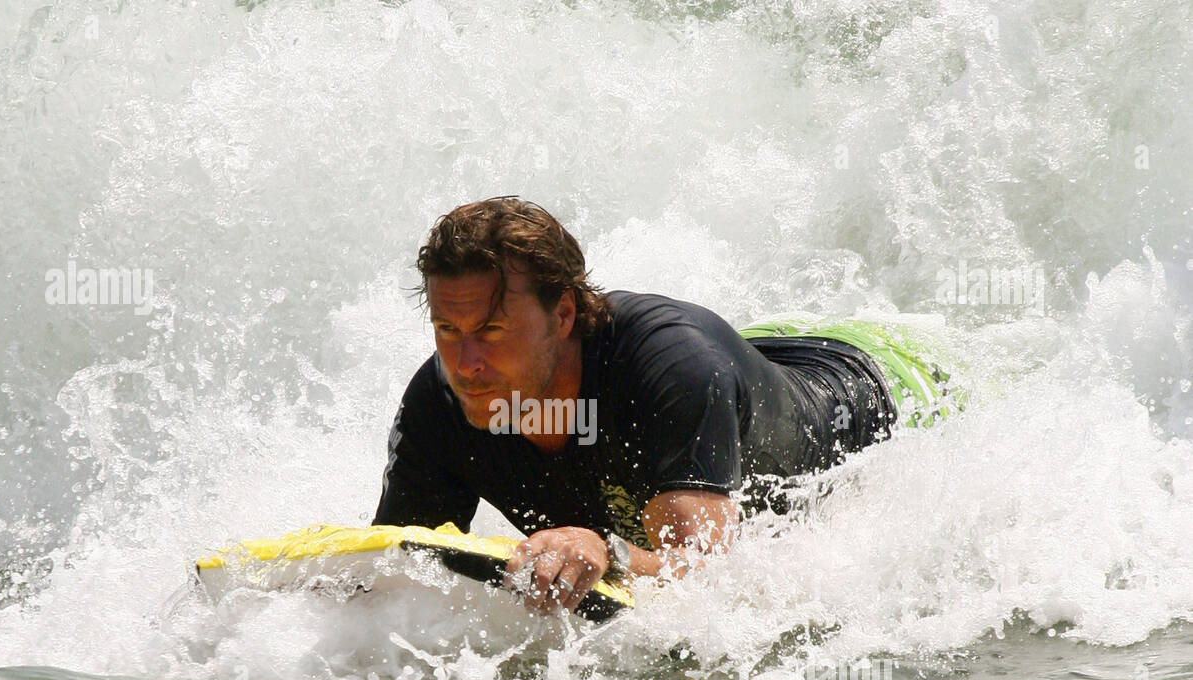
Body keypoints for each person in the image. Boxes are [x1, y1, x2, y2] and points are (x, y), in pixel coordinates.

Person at [374, 197, 955, 613]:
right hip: (746, 360)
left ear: (565, 313)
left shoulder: (672, 372)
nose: (466, 362)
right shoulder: (442, 402)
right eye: (447, 328)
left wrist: (607, 551)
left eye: (493, 330)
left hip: (883, 383)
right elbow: (393, 572)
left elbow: (708, 577)